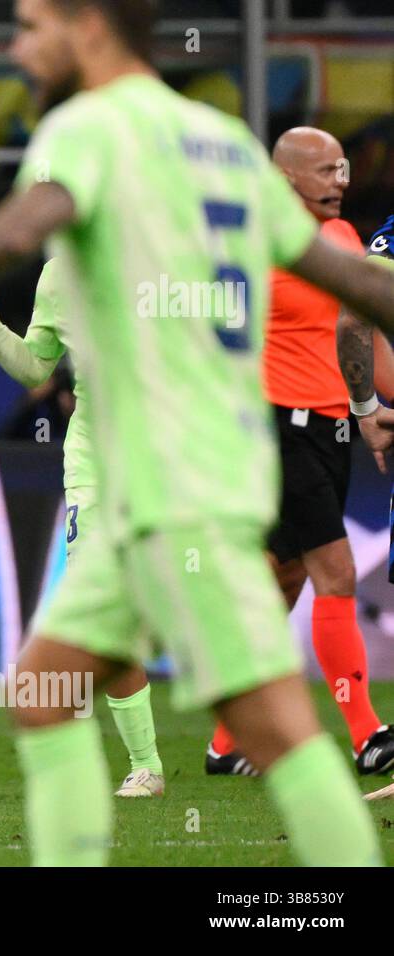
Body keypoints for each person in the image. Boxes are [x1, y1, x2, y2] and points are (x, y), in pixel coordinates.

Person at [0, 0, 394, 865]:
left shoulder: (91, 126)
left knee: (275, 725)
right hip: (178, 476)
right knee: (43, 691)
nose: (19, 49)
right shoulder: (219, 143)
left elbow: (16, 228)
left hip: (179, 489)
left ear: (89, 24)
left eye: (31, 26)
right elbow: (350, 280)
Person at [207, 127, 394, 777]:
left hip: (330, 426)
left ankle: (226, 741)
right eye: (327, 170)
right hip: (272, 425)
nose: (342, 179)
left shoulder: (342, 240)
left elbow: (357, 337)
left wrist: (372, 411)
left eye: (344, 168)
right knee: (335, 572)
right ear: (286, 178)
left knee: (280, 582)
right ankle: (368, 734)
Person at [0, 259, 165, 798]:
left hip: (171, 454)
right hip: (95, 462)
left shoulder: (172, 249)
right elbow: (35, 368)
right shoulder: (60, 274)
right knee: (101, 611)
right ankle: (145, 765)